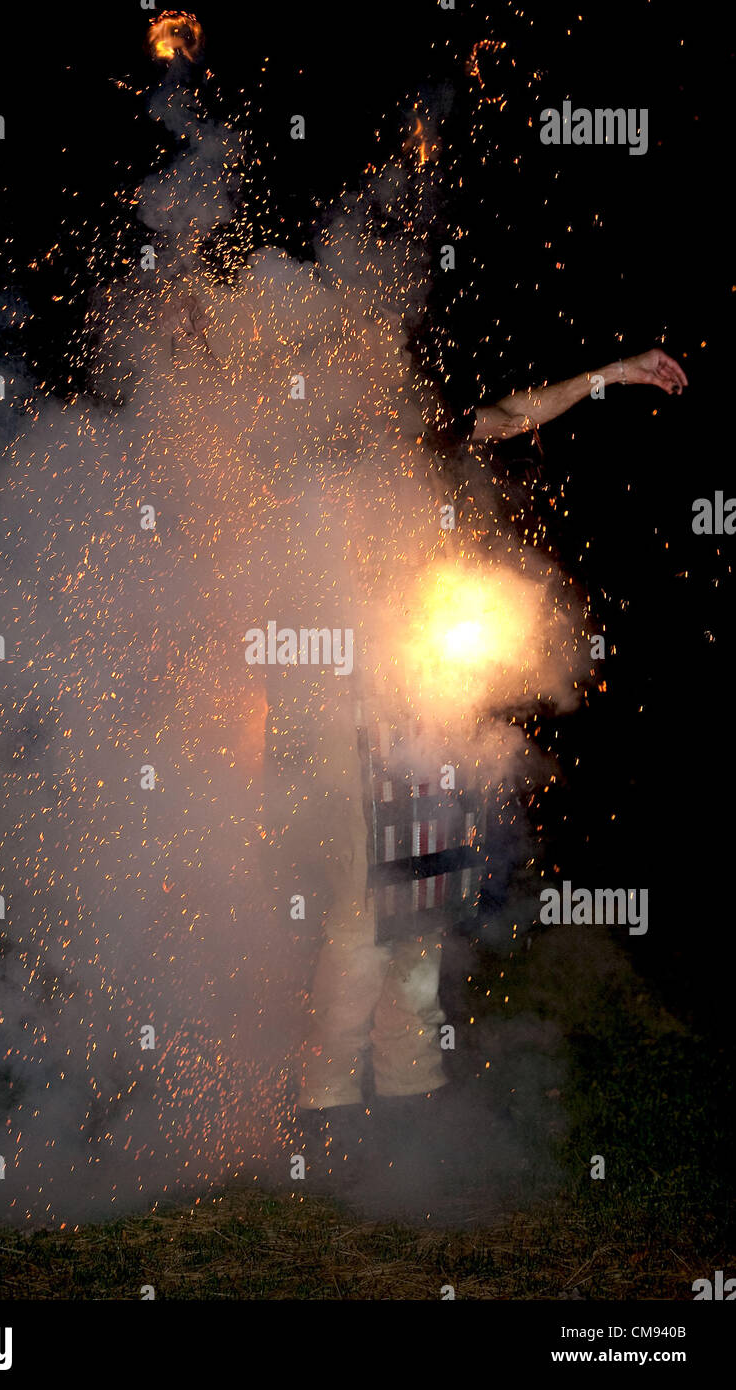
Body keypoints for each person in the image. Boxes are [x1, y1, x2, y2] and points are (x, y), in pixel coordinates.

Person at [295, 347, 687, 1188]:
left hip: (427, 706)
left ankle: (408, 1089)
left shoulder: (433, 437)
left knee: (422, 905)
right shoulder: (329, 457)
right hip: (350, 717)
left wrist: (611, 376)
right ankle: (323, 1108)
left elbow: (515, 414)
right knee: (362, 913)